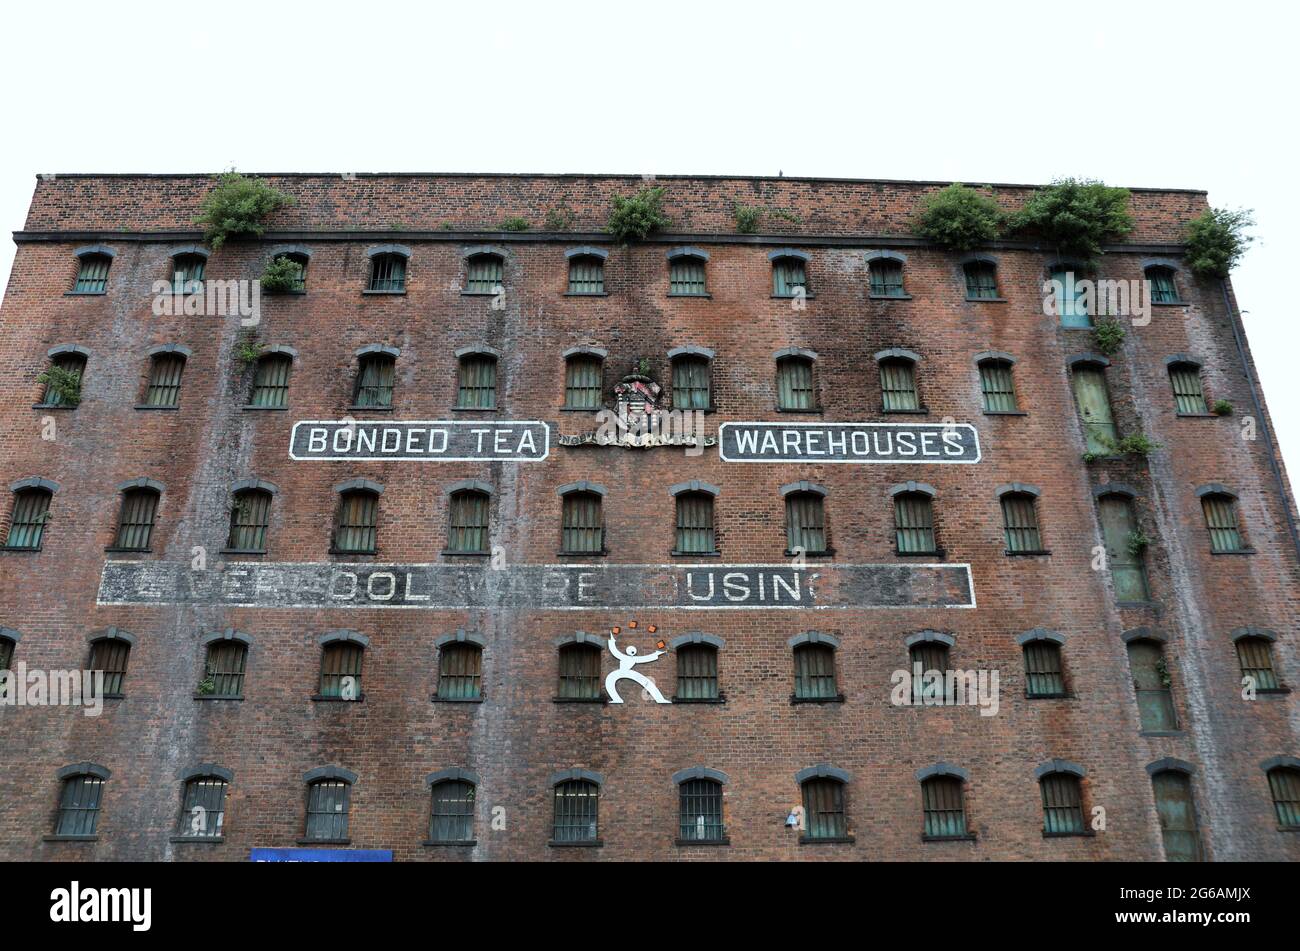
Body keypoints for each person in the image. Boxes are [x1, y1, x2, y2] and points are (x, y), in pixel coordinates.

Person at [605, 633, 670, 704]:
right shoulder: (622, 656)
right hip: (620, 672)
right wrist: (611, 641)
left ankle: (660, 699)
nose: (632, 652)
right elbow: (615, 651)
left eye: (633, 651)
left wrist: (657, 654)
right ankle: (617, 699)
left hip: (628, 672)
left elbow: (645, 658)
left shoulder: (634, 659)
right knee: (610, 682)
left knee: (647, 683)